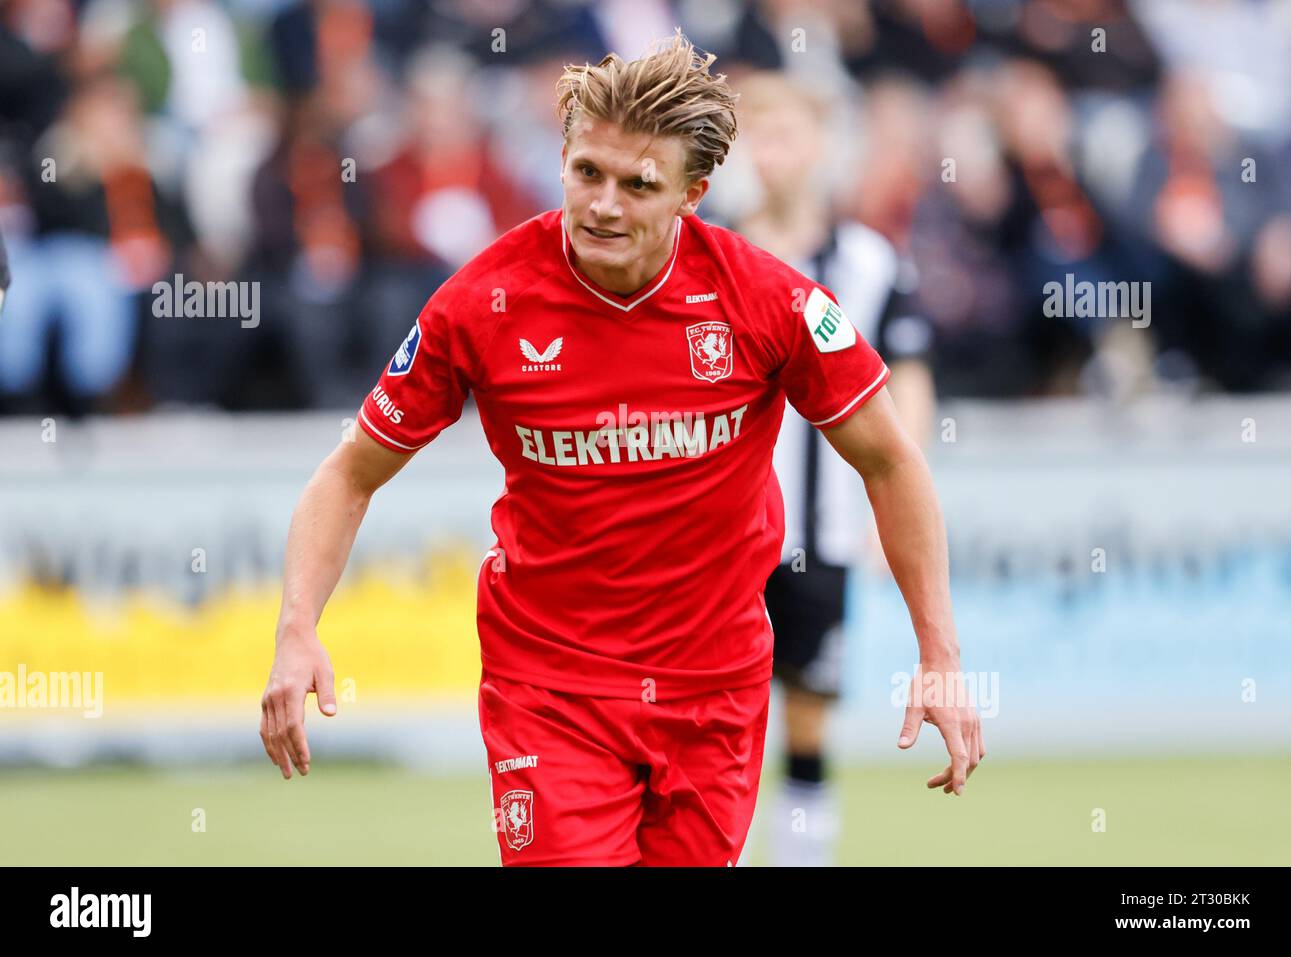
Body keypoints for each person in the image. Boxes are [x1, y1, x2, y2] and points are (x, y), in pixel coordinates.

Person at [259, 31, 983, 867]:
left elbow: (891, 460)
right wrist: (297, 628)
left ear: (693, 193)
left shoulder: (769, 300)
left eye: (638, 185)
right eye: (587, 173)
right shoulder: (483, 303)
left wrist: (939, 654)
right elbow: (350, 471)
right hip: (551, 690)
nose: (603, 205)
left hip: (714, 694)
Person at [729, 73, 937, 866]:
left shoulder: (867, 262)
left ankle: (801, 859)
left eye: (787, 134)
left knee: (809, 715)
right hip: (722, 532)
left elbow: (907, 382)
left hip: (822, 532)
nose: (771, 154)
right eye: (759, 136)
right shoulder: (713, 251)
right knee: (718, 715)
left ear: (820, 147)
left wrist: (896, 501)